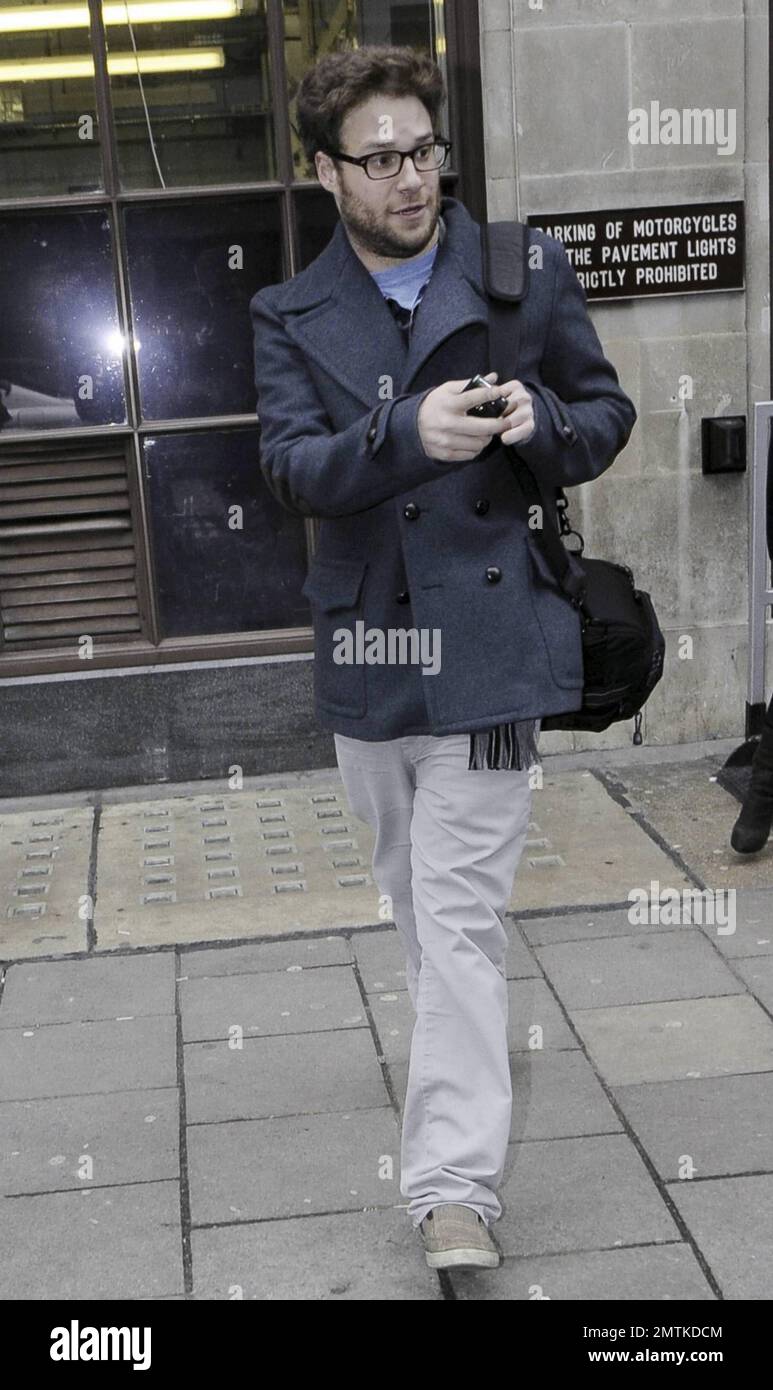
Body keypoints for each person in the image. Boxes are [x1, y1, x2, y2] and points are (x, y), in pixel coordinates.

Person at [250, 44, 636, 1271]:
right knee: (421, 914)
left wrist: (544, 425)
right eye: (379, 159)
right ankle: (453, 1123)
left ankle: (451, 1191)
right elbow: (290, 470)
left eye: (423, 150)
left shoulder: (520, 270)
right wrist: (400, 430)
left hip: (490, 648)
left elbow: (605, 415)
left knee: (458, 919)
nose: (410, 178)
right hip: (371, 648)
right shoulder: (286, 312)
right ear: (326, 171)